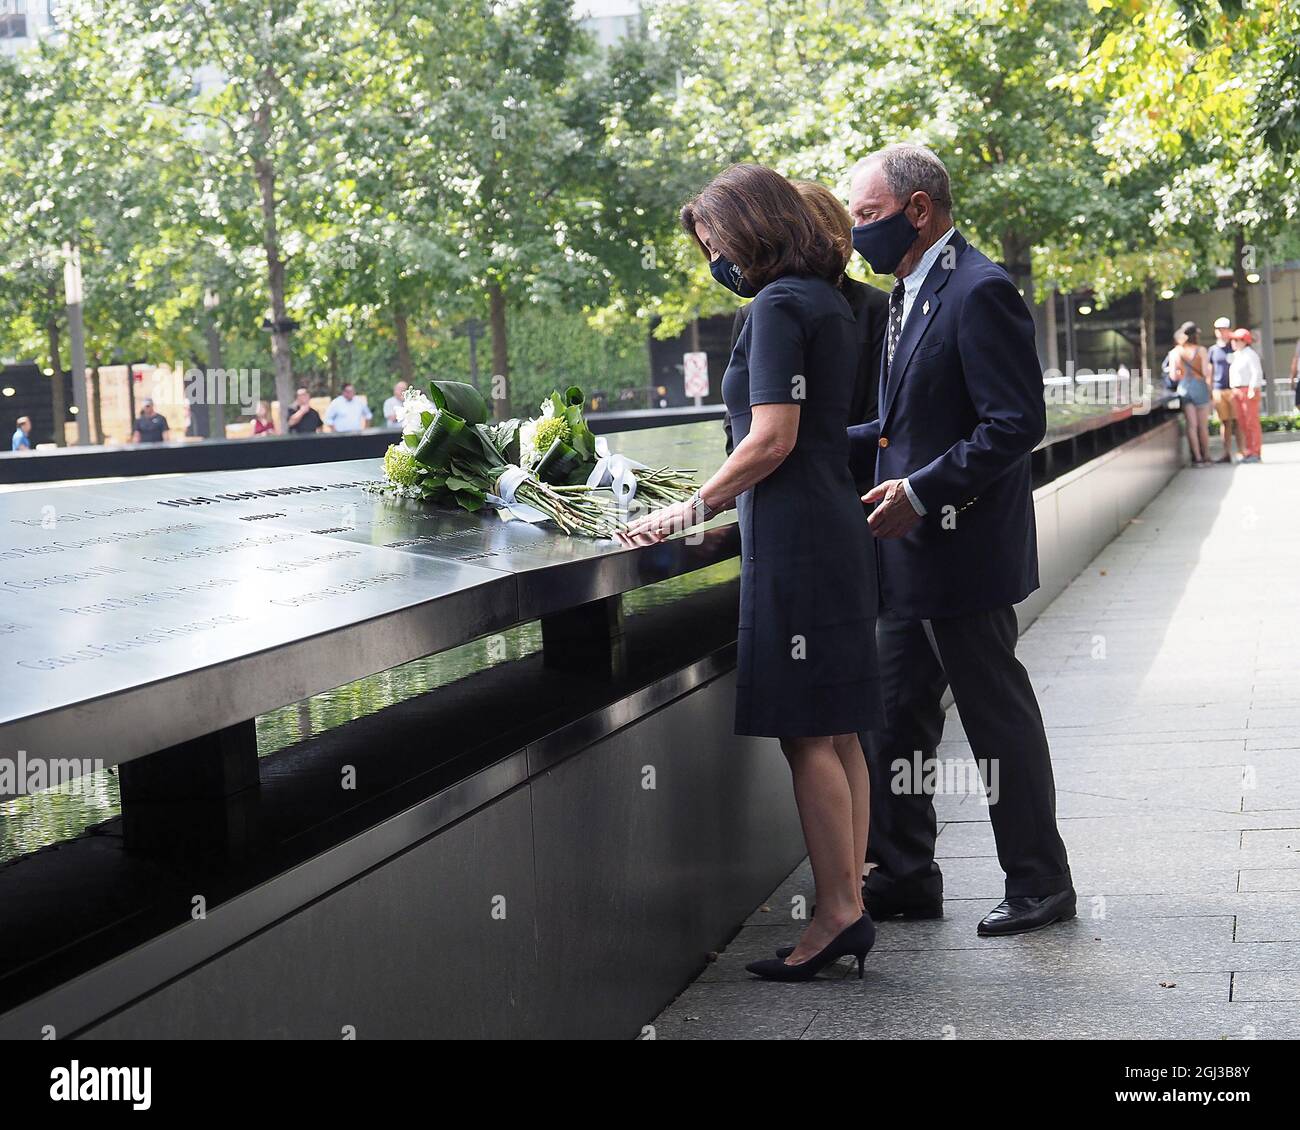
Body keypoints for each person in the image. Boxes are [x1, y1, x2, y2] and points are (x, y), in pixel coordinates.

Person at [623, 163, 882, 981]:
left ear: (748, 230)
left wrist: (684, 511)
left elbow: (770, 438)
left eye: (714, 243)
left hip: (796, 542)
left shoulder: (776, 307)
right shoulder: (826, 300)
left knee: (807, 735)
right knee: (840, 731)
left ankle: (836, 912)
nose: (714, 260)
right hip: (833, 529)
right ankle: (850, 903)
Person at [845, 143, 1074, 937]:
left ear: (919, 209)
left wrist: (920, 489)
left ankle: (1041, 882)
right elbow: (909, 419)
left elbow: (1015, 423)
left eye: (866, 215)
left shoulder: (979, 289)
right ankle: (905, 873)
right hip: (905, 555)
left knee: (994, 718)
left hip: (962, 550)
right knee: (896, 714)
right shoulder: (906, 293)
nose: (853, 232)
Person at [726, 180, 888, 454]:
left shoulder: (878, 308)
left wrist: (793, 454)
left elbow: (882, 416)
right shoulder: (752, 314)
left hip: (857, 482)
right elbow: (737, 420)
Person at [1169, 322, 1213, 466]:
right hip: (1199, 386)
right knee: (1203, 426)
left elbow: (1173, 376)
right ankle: (1207, 456)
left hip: (1184, 388)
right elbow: (1206, 372)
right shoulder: (1201, 350)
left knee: (1191, 426)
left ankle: (1197, 458)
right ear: (1196, 335)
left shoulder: (1175, 352)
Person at [1229, 327, 1265, 463]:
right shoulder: (1237, 354)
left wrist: (1253, 388)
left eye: (1237, 339)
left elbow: (1256, 373)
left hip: (1247, 390)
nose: (1233, 342)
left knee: (1251, 422)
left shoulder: (1250, 354)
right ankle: (1249, 451)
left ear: (1245, 341)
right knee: (1243, 423)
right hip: (1238, 390)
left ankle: (1255, 452)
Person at [1208, 316, 1239, 463]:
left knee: (1238, 422)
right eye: (1219, 329)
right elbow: (1210, 371)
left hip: (1234, 389)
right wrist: (1210, 391)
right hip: (1219, 389)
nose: (1221, 332)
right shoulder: (1213, 350)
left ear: (1230, 330)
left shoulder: (1235, 347)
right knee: (1225, 422)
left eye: (1224, 329)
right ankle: (1226, 453)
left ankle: (1242, 452)